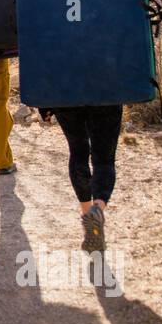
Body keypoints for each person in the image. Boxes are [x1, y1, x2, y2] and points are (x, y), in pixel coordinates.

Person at [38, 104, 122, 253]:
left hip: (65, 95)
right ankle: (97, 209)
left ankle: (87, 214)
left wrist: (44, 103)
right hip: (107, 93)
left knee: (78, 152)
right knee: (104, 159)